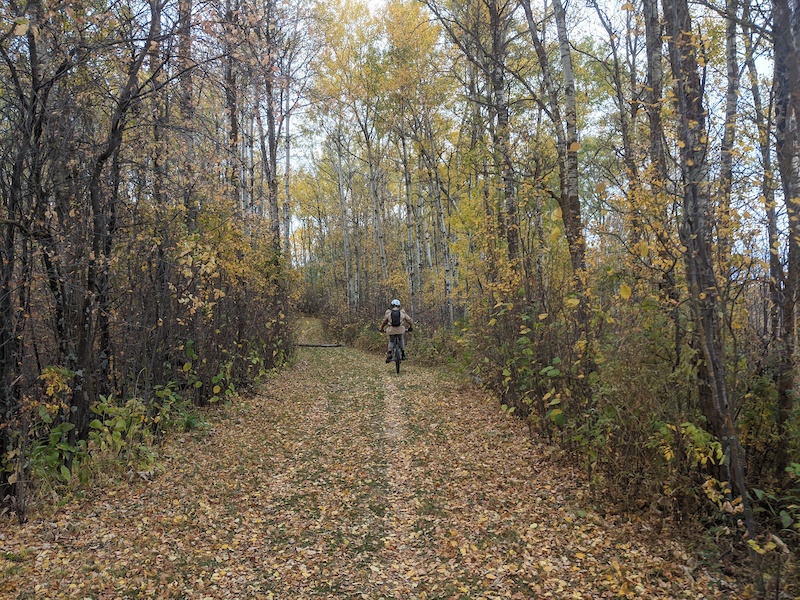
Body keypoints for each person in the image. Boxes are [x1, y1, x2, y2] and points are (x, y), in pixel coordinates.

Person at [379, 299, 413, 363]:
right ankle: (403, 353)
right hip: (400, 330)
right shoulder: (402, 312)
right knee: (401, 339)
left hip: (391, 330)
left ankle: (389, 352)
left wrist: (381, 329)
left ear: (392, 305)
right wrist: (411, 327)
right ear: (399, 306)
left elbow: (384, 322)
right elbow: (410, 320)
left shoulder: (388, 313)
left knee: (391, 341)